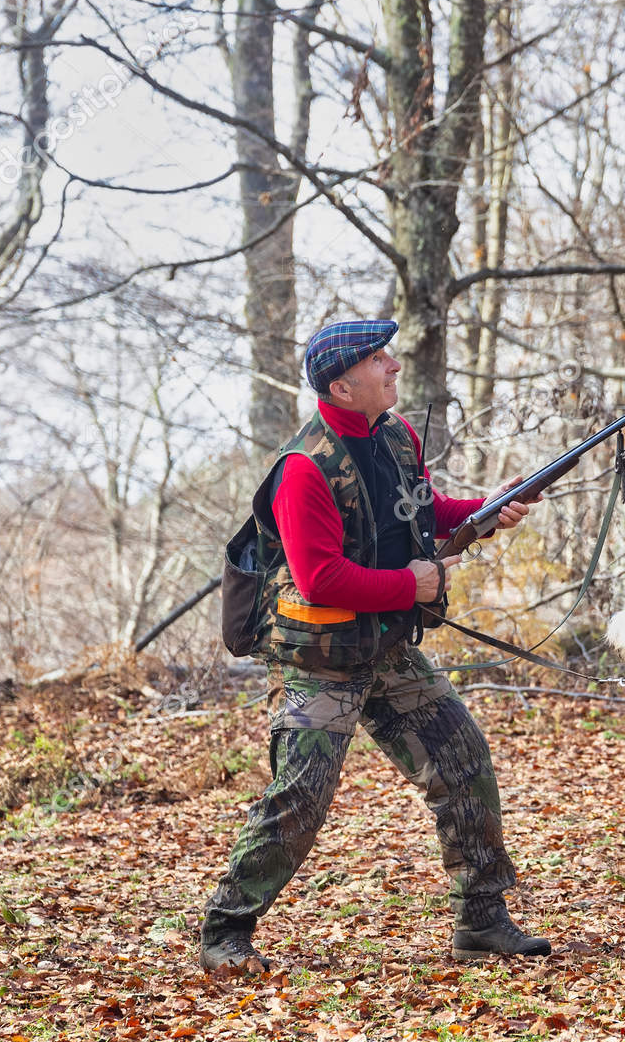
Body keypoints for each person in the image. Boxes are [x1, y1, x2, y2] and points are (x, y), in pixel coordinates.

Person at [200, 318, 551, 973]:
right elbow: (321, 577)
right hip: (320, 660)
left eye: (388, 355)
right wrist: (412, 582)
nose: (393, 365)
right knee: (302, 794)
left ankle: (481, 919)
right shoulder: (304, 469)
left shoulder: (396, 436)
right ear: (341, 384)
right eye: (377, 359)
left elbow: (419, 511)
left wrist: (487, 508)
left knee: (462, 758)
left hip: (385, 646)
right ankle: (226, 928)